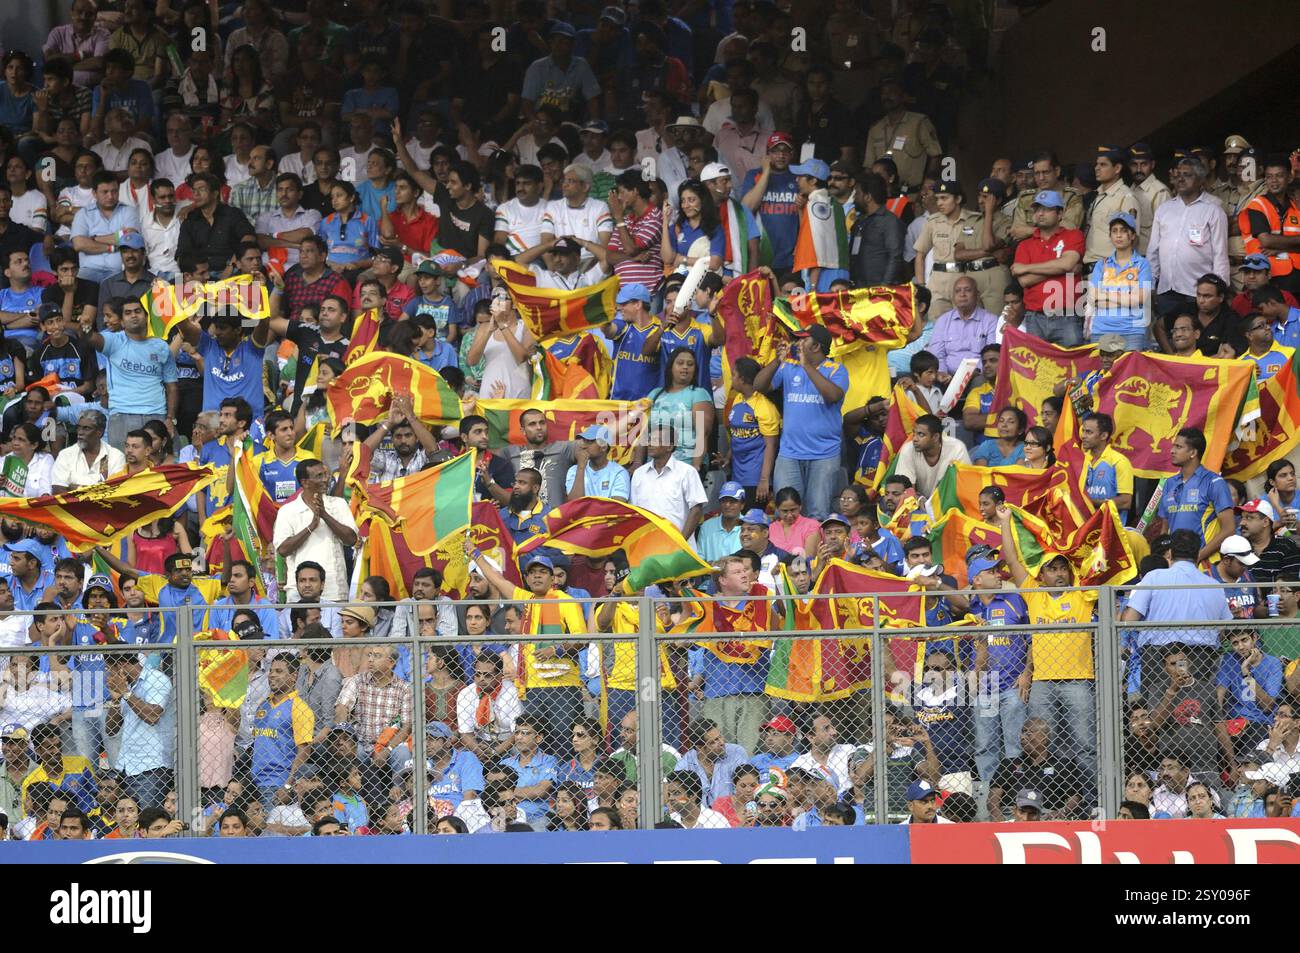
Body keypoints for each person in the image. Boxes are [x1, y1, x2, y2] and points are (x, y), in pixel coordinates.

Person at [1148, 156, 1230, 325]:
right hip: (1167, 289)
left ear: (1200, 180)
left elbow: (1220, 254)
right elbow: (1153, 251)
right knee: (1168, 336)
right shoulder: (1164, 209)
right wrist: (1150, 284)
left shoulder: (1213, 211)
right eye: (1178, 174)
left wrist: (1219, 289)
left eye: (1187, 175)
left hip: (1198, 293)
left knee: (1196, 338)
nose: (1180, 178)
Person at [272, 458, 358, 602]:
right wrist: (311, 527)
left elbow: (351, 539)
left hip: (334, 591)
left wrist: (325, 515)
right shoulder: (287, 511)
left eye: (325, 474)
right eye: (319, 476)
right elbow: (283, 549)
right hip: (299, 594)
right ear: (305, 482)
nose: (325, 479)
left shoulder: (339, 504)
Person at [1149, 428, 1235, 564]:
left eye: (1178, 447)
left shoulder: (1214, 482)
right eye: (1173, 446)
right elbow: (1165, 529)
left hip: (1205, 564)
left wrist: (1198, 557)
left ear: (1193, 453)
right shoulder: (1169, 483)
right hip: (1175, 565)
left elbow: (1229, 529)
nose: (1172, 451)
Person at [1012, 190, 1085, 346]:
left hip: (1067, 315)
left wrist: (1026, 267)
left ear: (1060, 213)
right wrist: (1062, 269)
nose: (1040, 213)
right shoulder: (1025, 244)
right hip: (1035, 316)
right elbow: (1025, 281)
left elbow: (1066, 264)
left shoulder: (1074, 235)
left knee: (1071, 366)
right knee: (1038, 368)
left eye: (1047, 209)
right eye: (1037, 209)